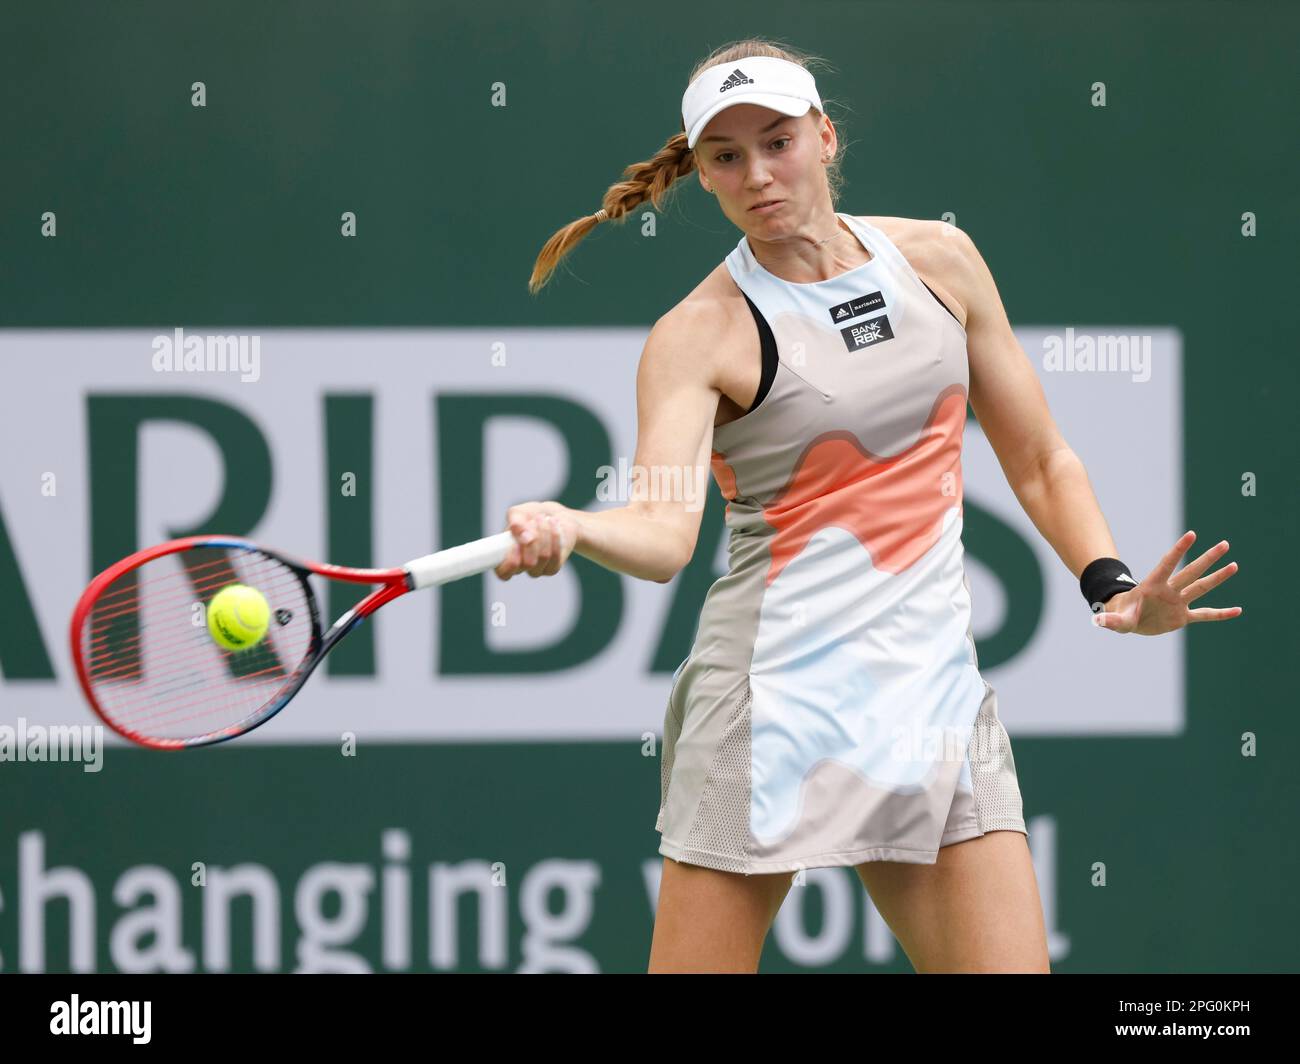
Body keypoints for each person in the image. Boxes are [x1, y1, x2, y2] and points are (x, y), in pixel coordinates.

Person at [499, 39, 1242, 973]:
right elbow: (659, 533)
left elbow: (1042, 458)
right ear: (705, 175)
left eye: (777, 141)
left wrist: (1113, 585)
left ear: (824, 134)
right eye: (727, 157)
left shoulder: (942, 260)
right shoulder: (697, 335)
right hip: (769, 704)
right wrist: (574, 528)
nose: (759, 174)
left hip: (931, 700)